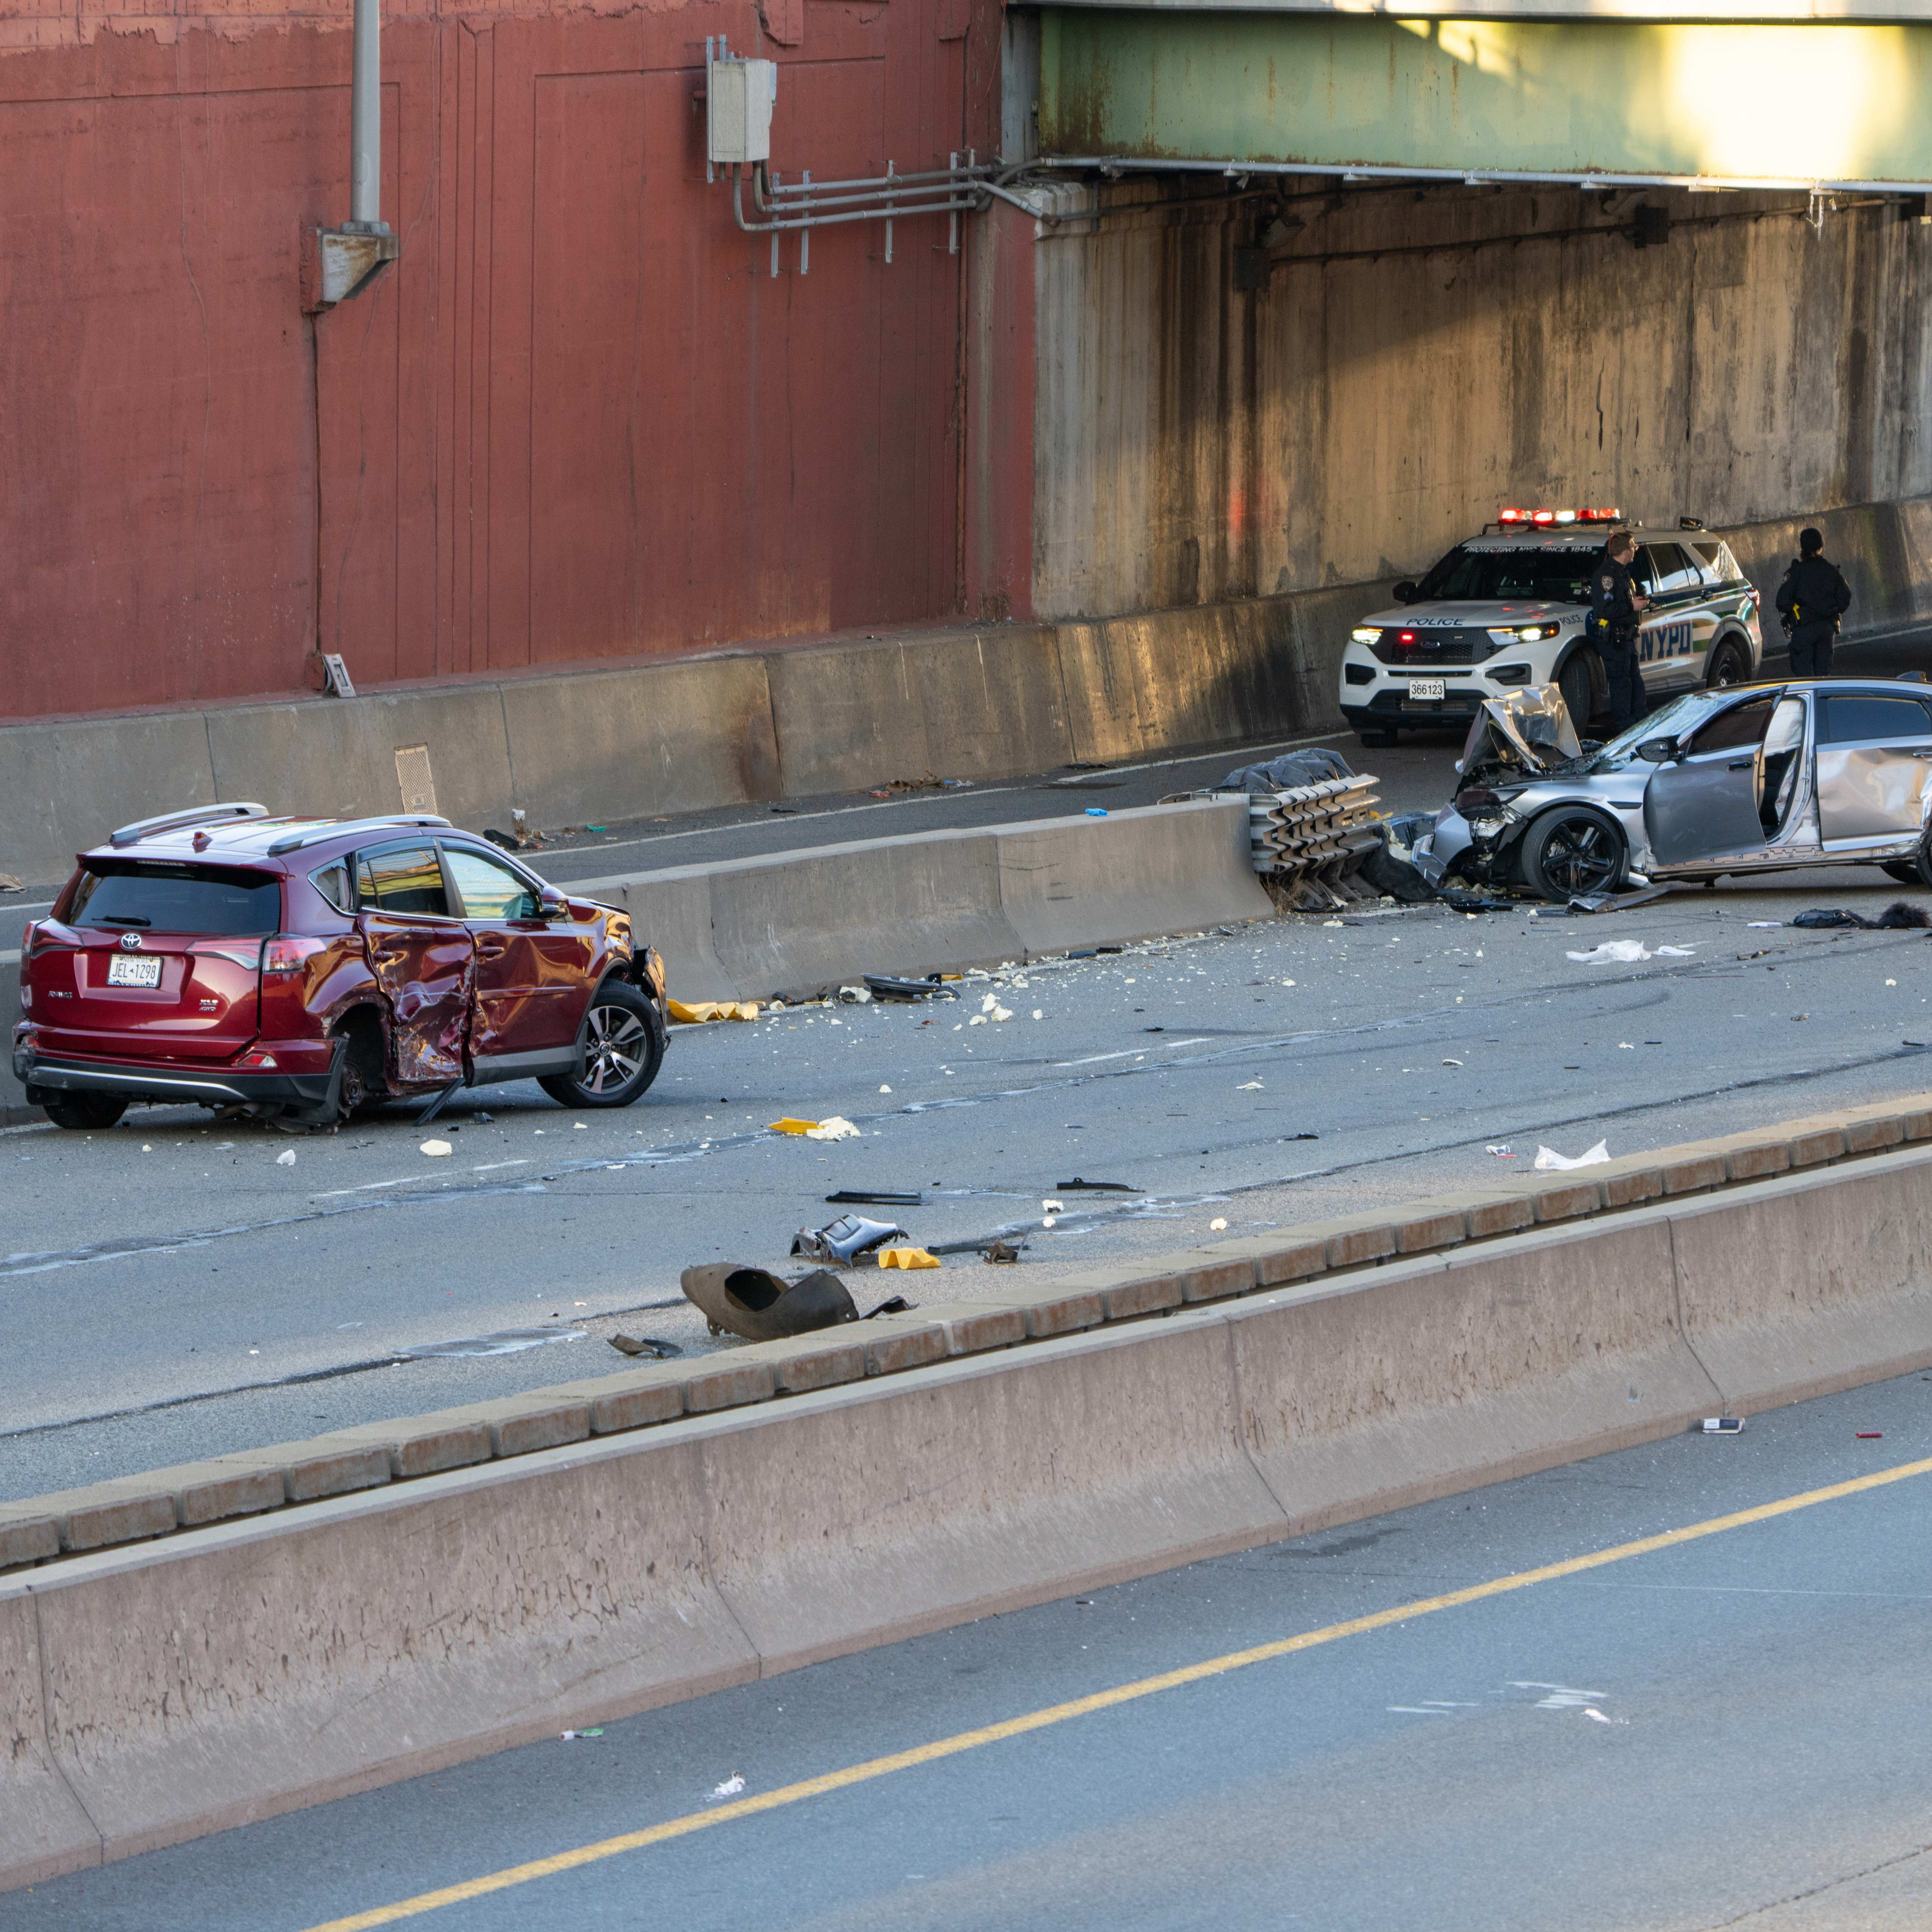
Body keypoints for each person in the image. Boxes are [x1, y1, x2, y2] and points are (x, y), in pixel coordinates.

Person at [1588, 529, 1650, 734]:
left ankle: (1640, 720)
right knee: (1621, 684)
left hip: (1628, 638)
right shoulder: (1607, 576)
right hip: (1615, 640)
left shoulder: (1623, 573)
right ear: (1625, 550)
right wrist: (1631, 607)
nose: (1635, 550)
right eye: (1633, 547)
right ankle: (1625, 726)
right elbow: (1604, 609)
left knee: (1635, 681)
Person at [1775, 528, 1851, 677]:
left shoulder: (1795, 572)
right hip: (1826, 629)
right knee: (1823, 677)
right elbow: (1845, 597)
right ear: (1820, 547)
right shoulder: (1831, 571)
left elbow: (1782, 602)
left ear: (1802, 548)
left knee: (1803, 679)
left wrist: (1798, 610)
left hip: (1803, 629)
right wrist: (1833, 610)